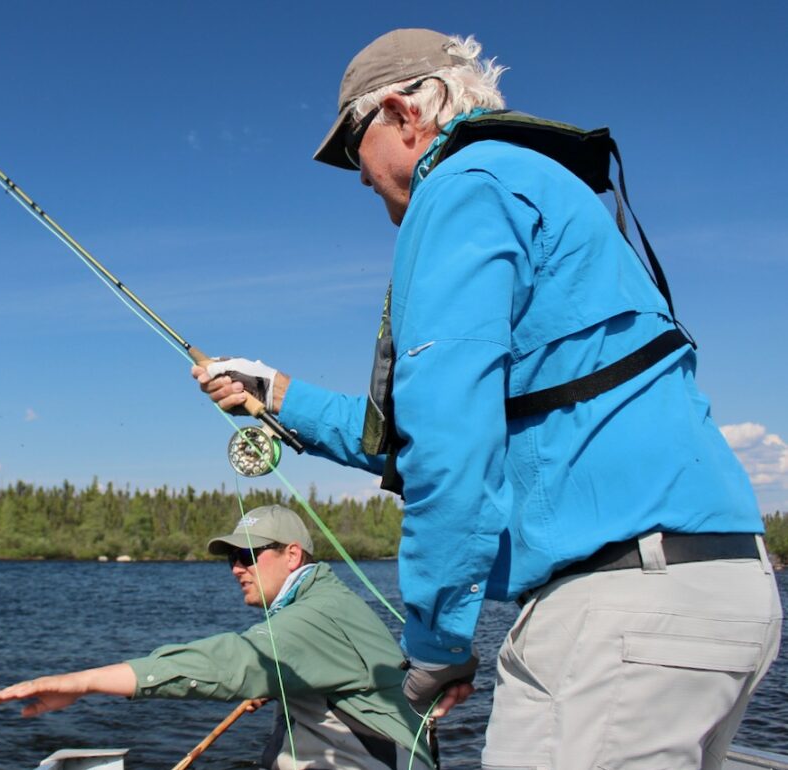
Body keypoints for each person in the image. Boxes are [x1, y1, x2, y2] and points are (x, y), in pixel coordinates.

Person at [194, 29, 782, 769]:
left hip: (620, 609)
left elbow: (448, 444)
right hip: (723, 594)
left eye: (353, 145)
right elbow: (428, 428)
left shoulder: (459, 188)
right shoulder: (535, 187)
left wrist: (435, 644)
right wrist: (275, 395)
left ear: (403, 114)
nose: (359, 177)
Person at [0, 504, 434, 770]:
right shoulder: (325, 601)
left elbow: (230, 662)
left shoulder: (316, 617)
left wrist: (82, 682)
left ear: (292, 555)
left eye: (248, 556)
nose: (238, 568)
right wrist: (283, 683)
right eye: (231, 560)